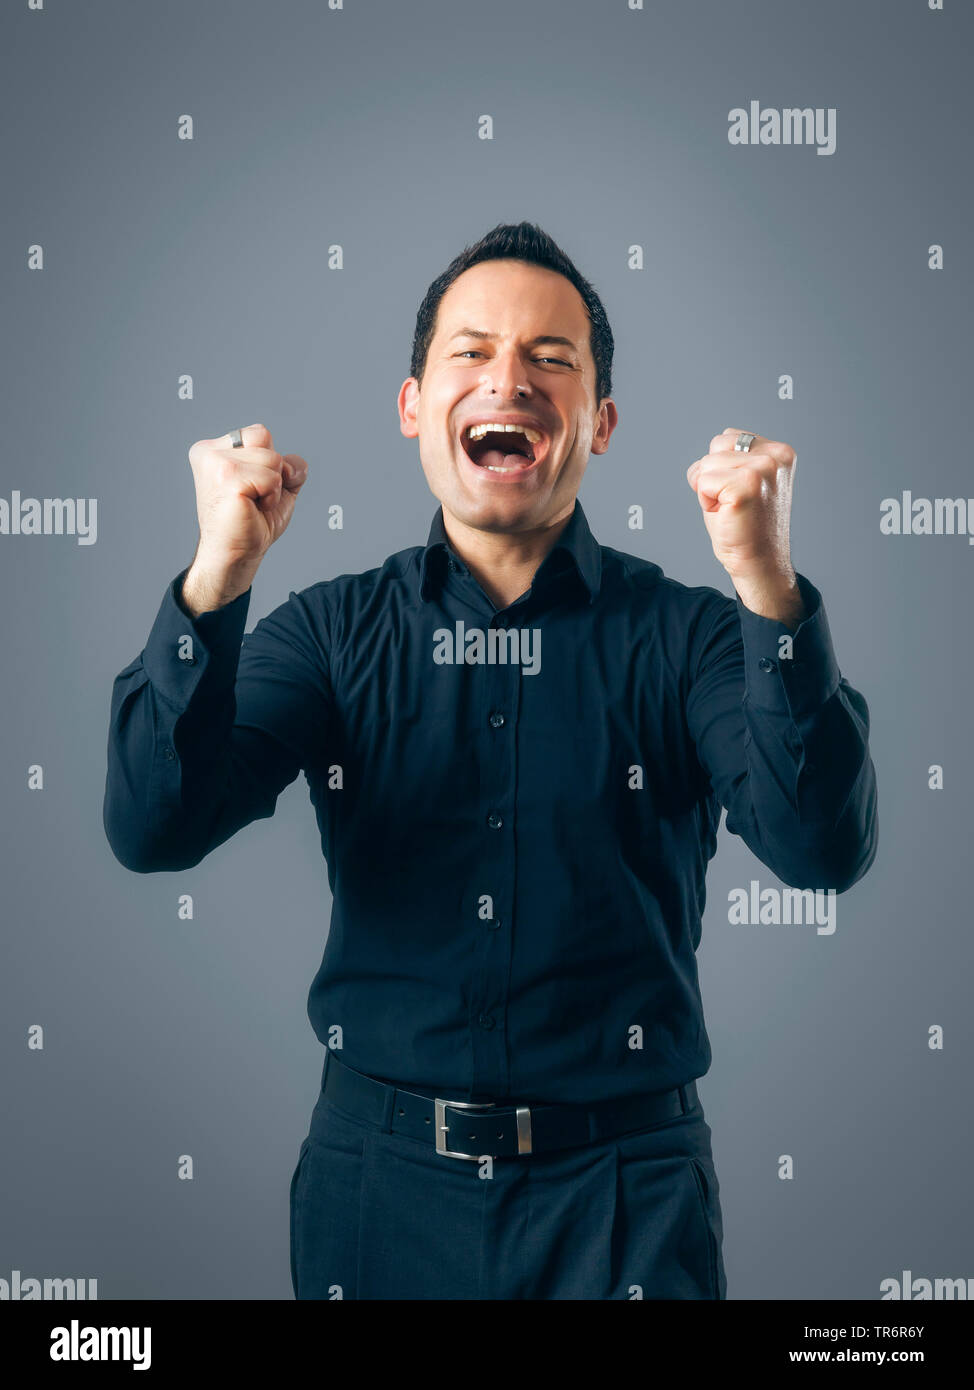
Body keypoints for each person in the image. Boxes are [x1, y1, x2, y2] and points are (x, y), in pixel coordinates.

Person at [103, 221, 878, 1300]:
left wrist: (767, 585)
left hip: (624, 1200)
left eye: (551, 360)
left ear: (598, 423)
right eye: (470, 353)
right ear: (415, 405)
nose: (508, 379)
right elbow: (152, 826)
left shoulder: (693, 634)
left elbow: (818, 850)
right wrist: (216, 580)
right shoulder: (329, 634)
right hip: (377, 1190)